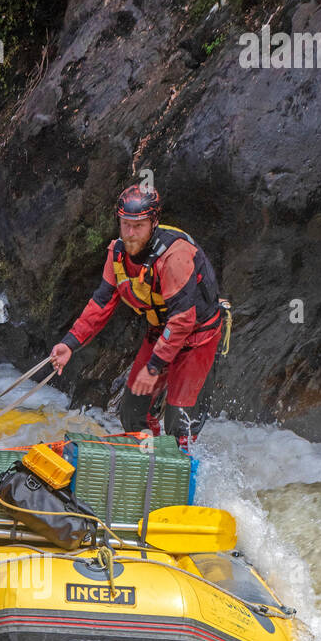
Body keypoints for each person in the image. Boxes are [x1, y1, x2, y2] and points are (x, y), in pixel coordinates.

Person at [49, 185, 223, 450]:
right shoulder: (117, 253)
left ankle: (184, 473)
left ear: (154, 223)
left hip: (196, 337)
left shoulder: (174, 256)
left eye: (138, 226)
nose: (130, 234)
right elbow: (102, 302)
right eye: (125, 224)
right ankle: (147, 464)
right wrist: (70, 344)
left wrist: (153, 368)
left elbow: (182, 321)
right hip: (160, 331)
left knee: (178, 421)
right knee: (132, 411)